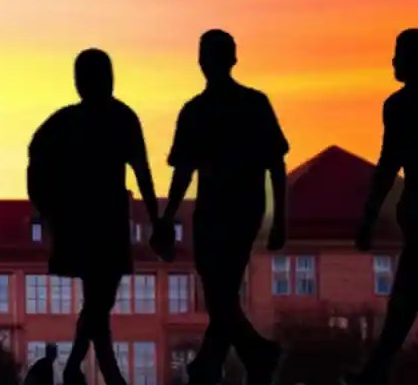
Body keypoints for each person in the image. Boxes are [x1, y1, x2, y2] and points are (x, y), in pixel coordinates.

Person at [154, 30, 286, 385]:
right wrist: (279, 218)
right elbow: (275, 164)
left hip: (225, 211)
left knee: (219, 293)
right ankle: (241, 356)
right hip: (234, 210)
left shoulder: (200, 110)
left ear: (204, 62)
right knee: (220, 293)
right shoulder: (250, 104)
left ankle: (230, 360)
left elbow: (185, 173)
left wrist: (167, 218)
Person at [27, 49, 161, 385]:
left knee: (99, 299)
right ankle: (103, 371)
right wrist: (48, 208)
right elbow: (36, 158)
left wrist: (157, 218)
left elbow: (142, 172)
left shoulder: (92, 119)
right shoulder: (105, 118)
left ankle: (77, 365)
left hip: (99, 221)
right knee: (99, 299)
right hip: (94, 221)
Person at [348, 29, 418, 384]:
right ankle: (373, 373)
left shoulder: (399, 106)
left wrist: (368, 216)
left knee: (404, 302)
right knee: (404, 302)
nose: (393, 61)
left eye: (399, 54)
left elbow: (388, 165)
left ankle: (373, 374)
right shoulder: (399, 106)